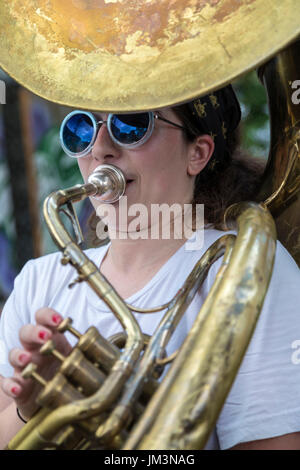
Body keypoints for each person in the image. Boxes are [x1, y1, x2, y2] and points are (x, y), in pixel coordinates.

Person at [0, 85, 300, 450]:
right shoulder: (39, 281)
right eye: (82, 128)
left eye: (131, 124)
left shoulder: (245, 271)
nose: (99, 148)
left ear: (198, 153)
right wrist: (31, 411)